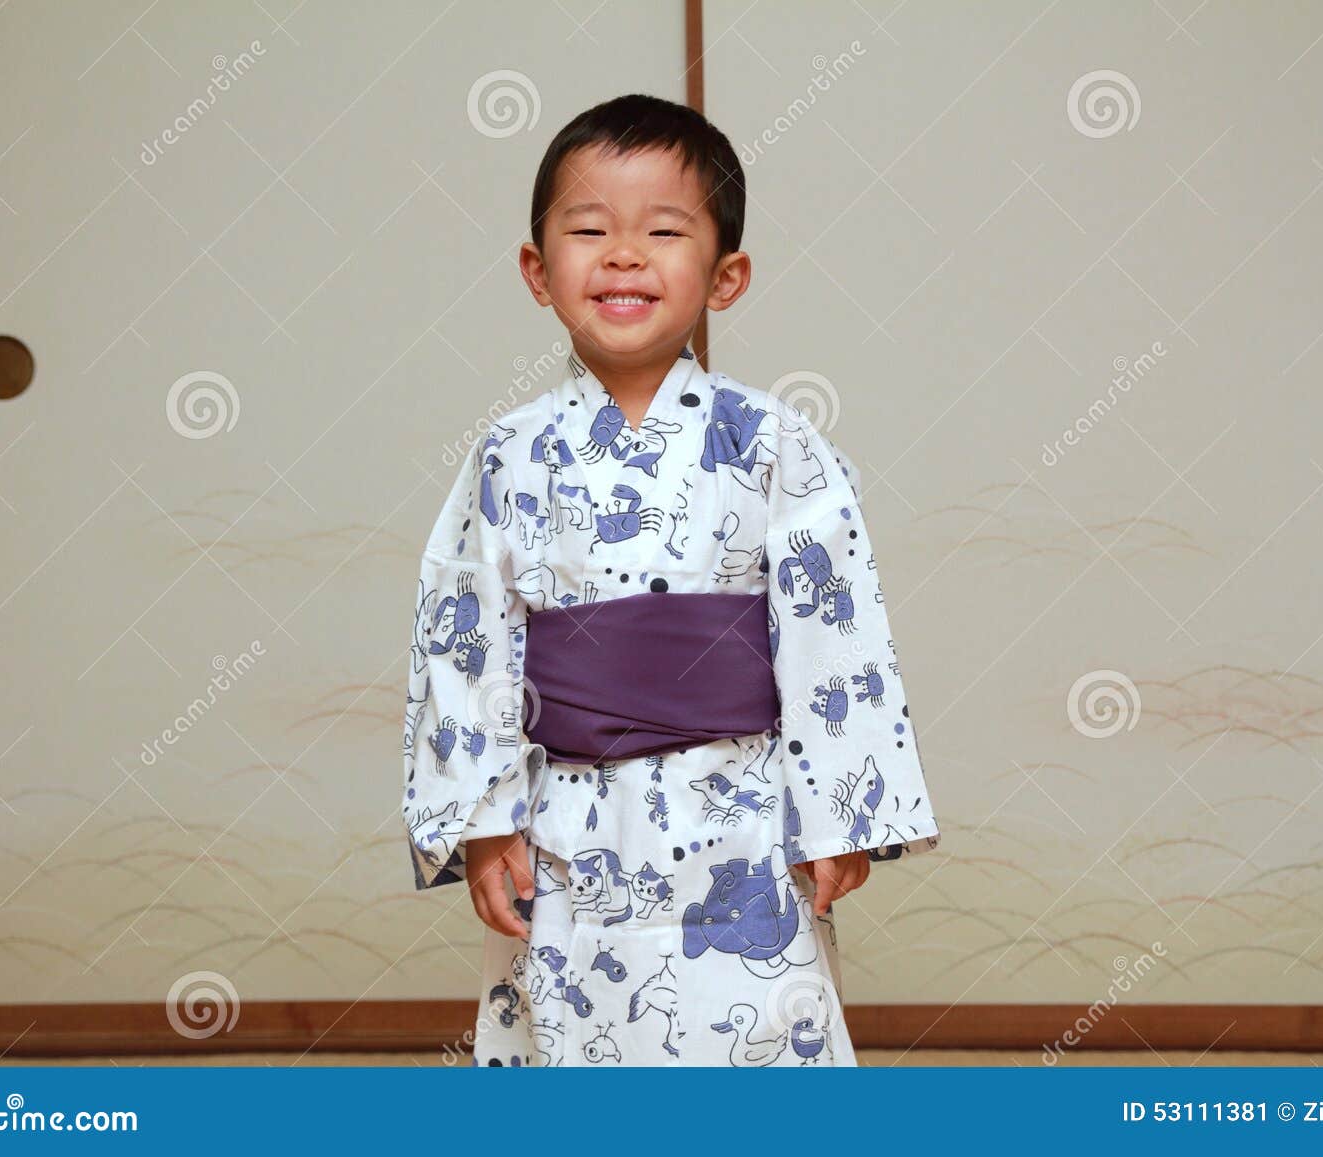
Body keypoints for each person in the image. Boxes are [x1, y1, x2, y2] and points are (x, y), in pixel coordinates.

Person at [401, 93, 940, 1066]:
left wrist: (839, 812)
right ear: (537, 270)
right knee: (574, 1023)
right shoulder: (508, 453)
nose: (621, 255)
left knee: (752, 1024)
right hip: (567, 810)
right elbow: (463, 629)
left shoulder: (774, 441)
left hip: (742, 801)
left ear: (724, 276)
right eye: (587, 229)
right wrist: (483, 820)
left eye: (661, 230)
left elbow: (834, 625)